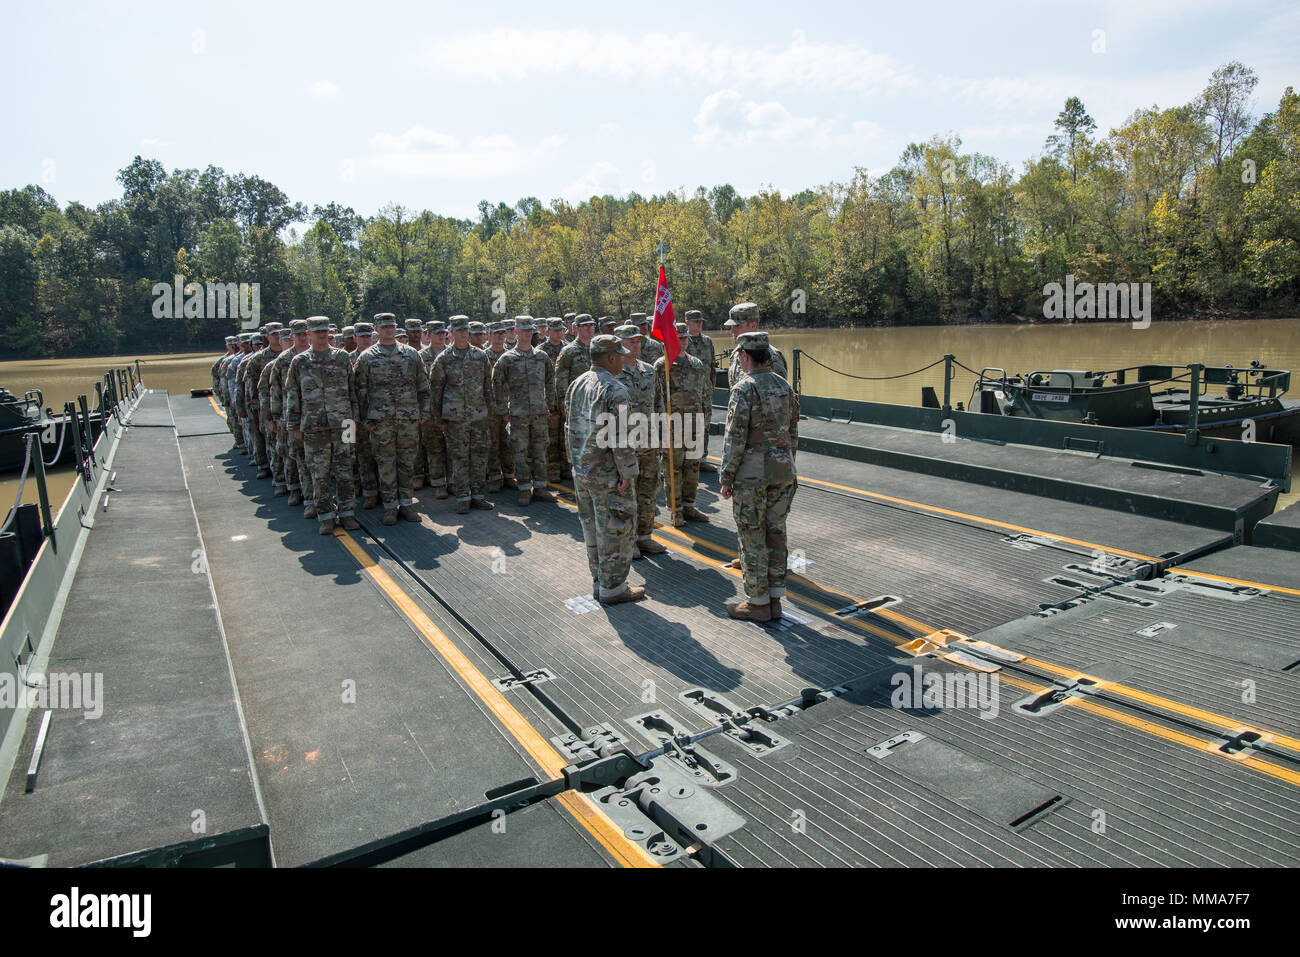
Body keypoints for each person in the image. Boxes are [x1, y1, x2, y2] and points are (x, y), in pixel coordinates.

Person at [719, 331, 798, 622]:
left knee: (751, 536)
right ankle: (775, 599)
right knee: (776, 533)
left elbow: (735, 438)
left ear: (744, 356)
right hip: (783, 471)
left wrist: (726, 477)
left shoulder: (743, 389)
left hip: (751, 477)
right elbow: (793, 433)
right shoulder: (784, 386)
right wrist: (788, 465)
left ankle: (757, 603)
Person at [566, 335, 645, 605]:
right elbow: (621, 435)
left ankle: (599, 581)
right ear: (611, 358)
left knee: (591, 527)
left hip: (583, 471)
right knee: (616, 529)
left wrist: (575, 464)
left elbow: (570, 430)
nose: (624, 358)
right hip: (608, 474)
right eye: (620, 354)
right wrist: (627, 472)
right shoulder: (616, 390)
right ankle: (614, 587)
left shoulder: (577, 384)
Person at [284, 317, 360, 535]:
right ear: (308, 334)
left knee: (346, 471)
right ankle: (326, 516)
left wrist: (354, 419)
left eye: (324, 331)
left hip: (344, 424)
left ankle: (347, 513)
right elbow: (293, 394)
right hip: (313, 425)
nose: (321, 335)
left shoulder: (342, 357)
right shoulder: (300, 361)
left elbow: (352, 389)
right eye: (316, 331)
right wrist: (294, 425)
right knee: (320, 473)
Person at [355, 313, 430, 525]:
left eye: (391, 326)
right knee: (385, 463)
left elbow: (423, 387)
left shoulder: (411, 354)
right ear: (376, 330)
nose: (388, 330)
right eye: (384, 326)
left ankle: (406, 504)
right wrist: (366, 421)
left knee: (407, 463)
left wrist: (423, 413)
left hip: (408, 420)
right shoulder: (367, 357)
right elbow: (360, 392)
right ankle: (390, 506)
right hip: (381, 422)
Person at [430, 316, 495, 515]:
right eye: (459, 330)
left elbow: (487, 387)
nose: (463, 333)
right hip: (455, 418)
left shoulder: (480, 356)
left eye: (465, 330)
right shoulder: (443, 358)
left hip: (478, 416)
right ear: (451, 333)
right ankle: (462, 497)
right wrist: (439, 420)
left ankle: (477, 495)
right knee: (459, 458)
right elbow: (436, 391)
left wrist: (489, 413)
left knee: (479, 456)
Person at [614, 324, 667, 557]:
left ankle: (645, 536)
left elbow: (659, 404)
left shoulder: (649, 370)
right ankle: (629, 540)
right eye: (631, 342)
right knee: (628, 493)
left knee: (649, 490)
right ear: (619, 344)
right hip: (626, 444)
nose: (636, 346)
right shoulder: (612, 374)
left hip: (650, 441)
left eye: (638, 341)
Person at [492, 317, 557, 506]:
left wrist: (548, 404)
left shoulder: (542, 357)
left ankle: (540, 488)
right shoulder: (507, 359)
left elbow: (550, 381)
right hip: (518, 414)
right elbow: (497, 384)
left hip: (538, 411)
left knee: (540, 451)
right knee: (519, 453)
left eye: (530, 330)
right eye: (524, 330)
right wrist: (503, 409)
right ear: (516, 331)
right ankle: (523, 489)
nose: (527, 333)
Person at [655, 327, 711, 527]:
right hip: (672, 426)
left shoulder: (696, 364)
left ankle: (689, 505)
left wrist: (704, 420)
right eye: (678, 338)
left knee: (692, 467)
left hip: (694, 424)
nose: (683, 341)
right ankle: (675, 510)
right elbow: (656, 399)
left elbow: (704, 394)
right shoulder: (662, 366)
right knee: (673, 469)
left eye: (685, 337)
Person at [268, 320, 311, 507]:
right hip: (292, 418)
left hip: (318, 419)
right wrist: (275, 419)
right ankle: (296, 490)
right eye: (298, 334)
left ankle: (315, 498)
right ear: (291, 336)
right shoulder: (283, 360)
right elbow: (274, 392)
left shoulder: (322, 356)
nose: (302, 337)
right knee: (295, 458)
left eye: (304, 333)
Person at [683, 310, 719, 472]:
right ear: (687, 322)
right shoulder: (683, 341)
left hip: (705, 392)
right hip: (689, 392)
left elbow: (712, 367)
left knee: (705, 425)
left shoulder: (707, 341)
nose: (699, 324)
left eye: (700, 321)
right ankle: (687, 458)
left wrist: (711, 386)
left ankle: (702, 458)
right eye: (695, 321)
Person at [726, 302, 787, 387]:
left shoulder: (771, 357)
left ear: (753, 326)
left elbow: (780, 395)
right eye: (731, 326)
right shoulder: (735, 355)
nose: (732, 331)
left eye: (737, 326)